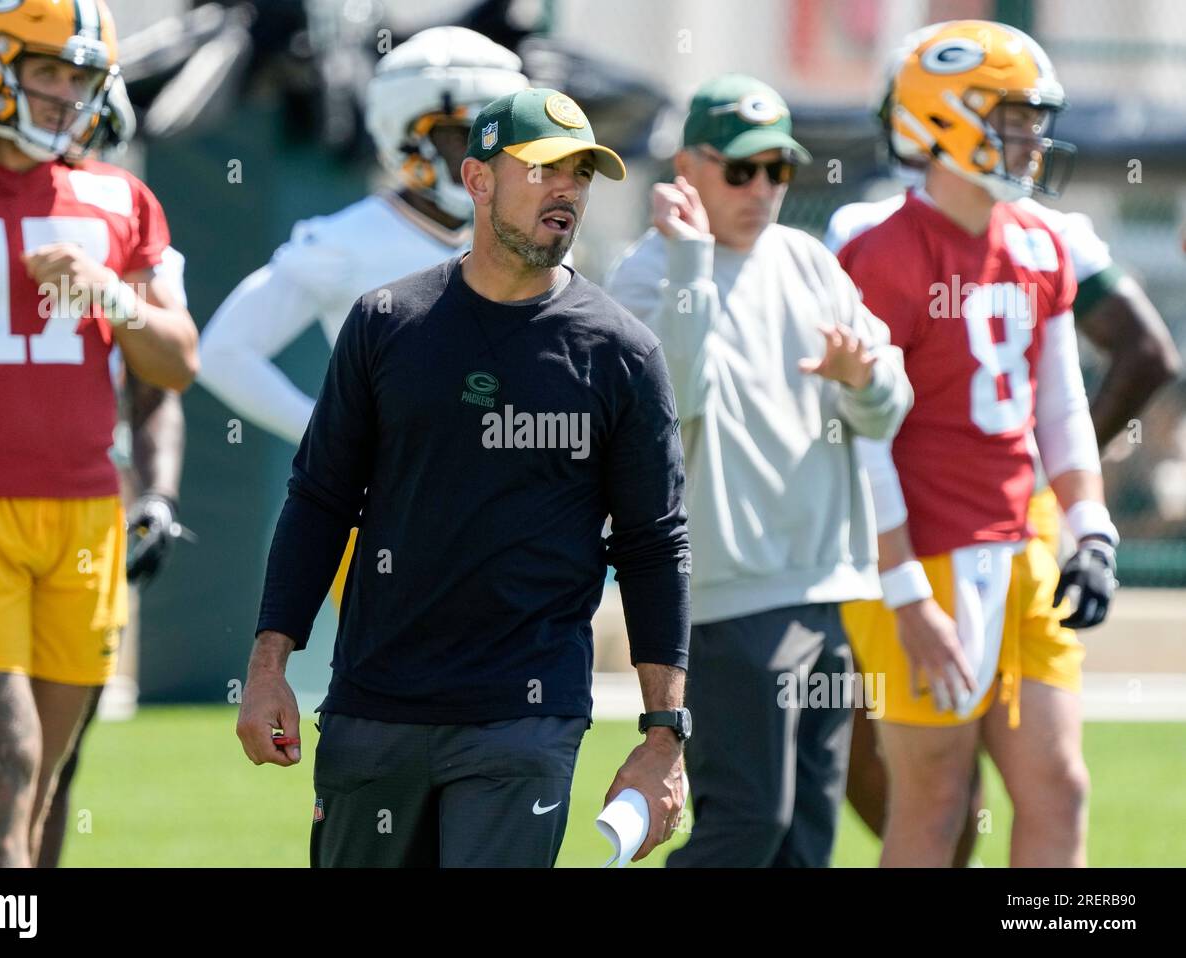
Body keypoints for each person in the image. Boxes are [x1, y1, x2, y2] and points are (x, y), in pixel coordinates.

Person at [237, 87, 692, 868]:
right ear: (478, 180)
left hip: (525, 720)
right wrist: (269, 664)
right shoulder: (385, 324)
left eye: (582, 173)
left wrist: (664, 738)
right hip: (375, 708)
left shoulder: (622, 353)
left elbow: (654, 546)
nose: (568, 190)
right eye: (545, 168)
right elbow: (319, 501)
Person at [825, 21, 1181, 868]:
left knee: (1061, 785)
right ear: (945, 120)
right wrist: (906, 592)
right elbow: (859, 439)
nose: (1033, 140)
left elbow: (1056, 403)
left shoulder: (1039, 239)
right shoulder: (879, 249)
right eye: (1014, 119)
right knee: (936, 801)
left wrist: (1090, 526)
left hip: (1024, 544)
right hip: (927, 555)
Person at [0, 0, 198, 867]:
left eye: (78, 75)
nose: (66, 94)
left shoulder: (122, 197)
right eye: (47, 71)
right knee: (1, 768)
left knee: (38, 795)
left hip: (86, 519)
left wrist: (111, 293)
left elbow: (175, 366)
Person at [606, 75, 912, 867]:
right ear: (689, 166)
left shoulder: (809, 261)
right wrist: (693, 262)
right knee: (748, 827)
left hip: (825, 592)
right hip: (723, 604)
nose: (764, 187)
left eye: (779, 169)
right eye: (742, 169)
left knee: (806, 837)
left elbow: (888, 407)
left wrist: (865, 380)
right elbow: (680, 401)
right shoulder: (647, 273)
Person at [198, 27, 527, 610]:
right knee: (398, 689)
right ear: (409, 137)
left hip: (510, 505)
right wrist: (334, 441)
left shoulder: (534, 237)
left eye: (502, 136)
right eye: (466, 133)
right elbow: (224, 351)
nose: (489, 156)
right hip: (393, 515)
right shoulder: (348, 240)